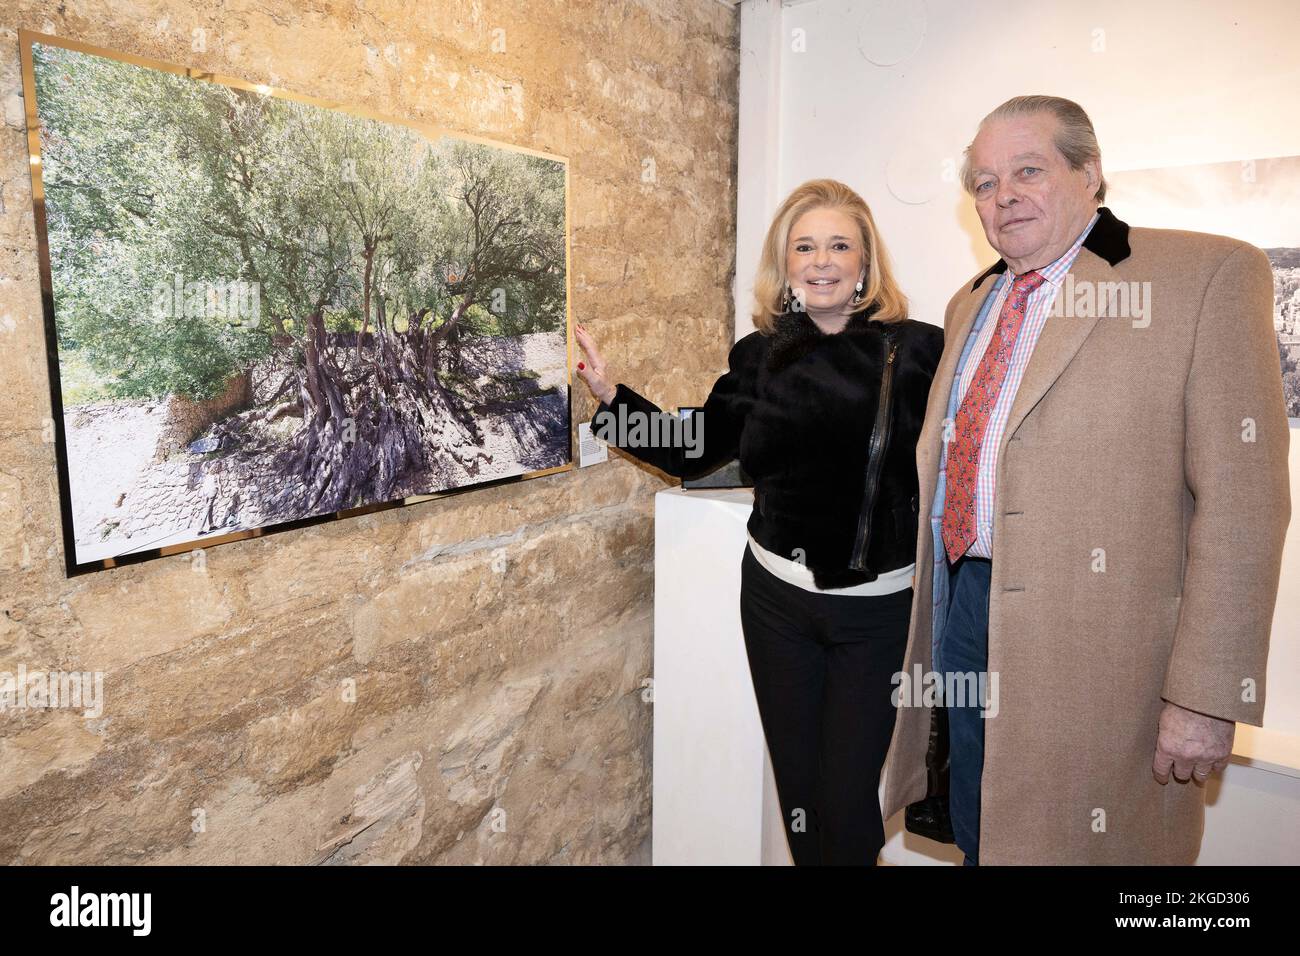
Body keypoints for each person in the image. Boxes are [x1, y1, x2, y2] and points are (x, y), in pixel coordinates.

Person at [881, 95, 1290, 865]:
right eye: (983, 182)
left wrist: (1206, 695)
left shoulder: (1204, 275)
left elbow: (1246, 504)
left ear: (1090, 173)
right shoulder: (971, 302)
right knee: (981, 827)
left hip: (1110, 652)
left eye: (1028, 170)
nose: (1002, 197)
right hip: (967, 611)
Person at [573, 179, 943, 865]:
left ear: (865, 263)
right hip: (776, 603)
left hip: (879, 614)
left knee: (850, 806)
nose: (822, 260)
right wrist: (610, 396)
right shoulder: (759, 355)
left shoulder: (920, 351)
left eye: (839, 245)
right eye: (805, 246)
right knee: (801, 800)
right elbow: (695, 449)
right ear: (786, 263)